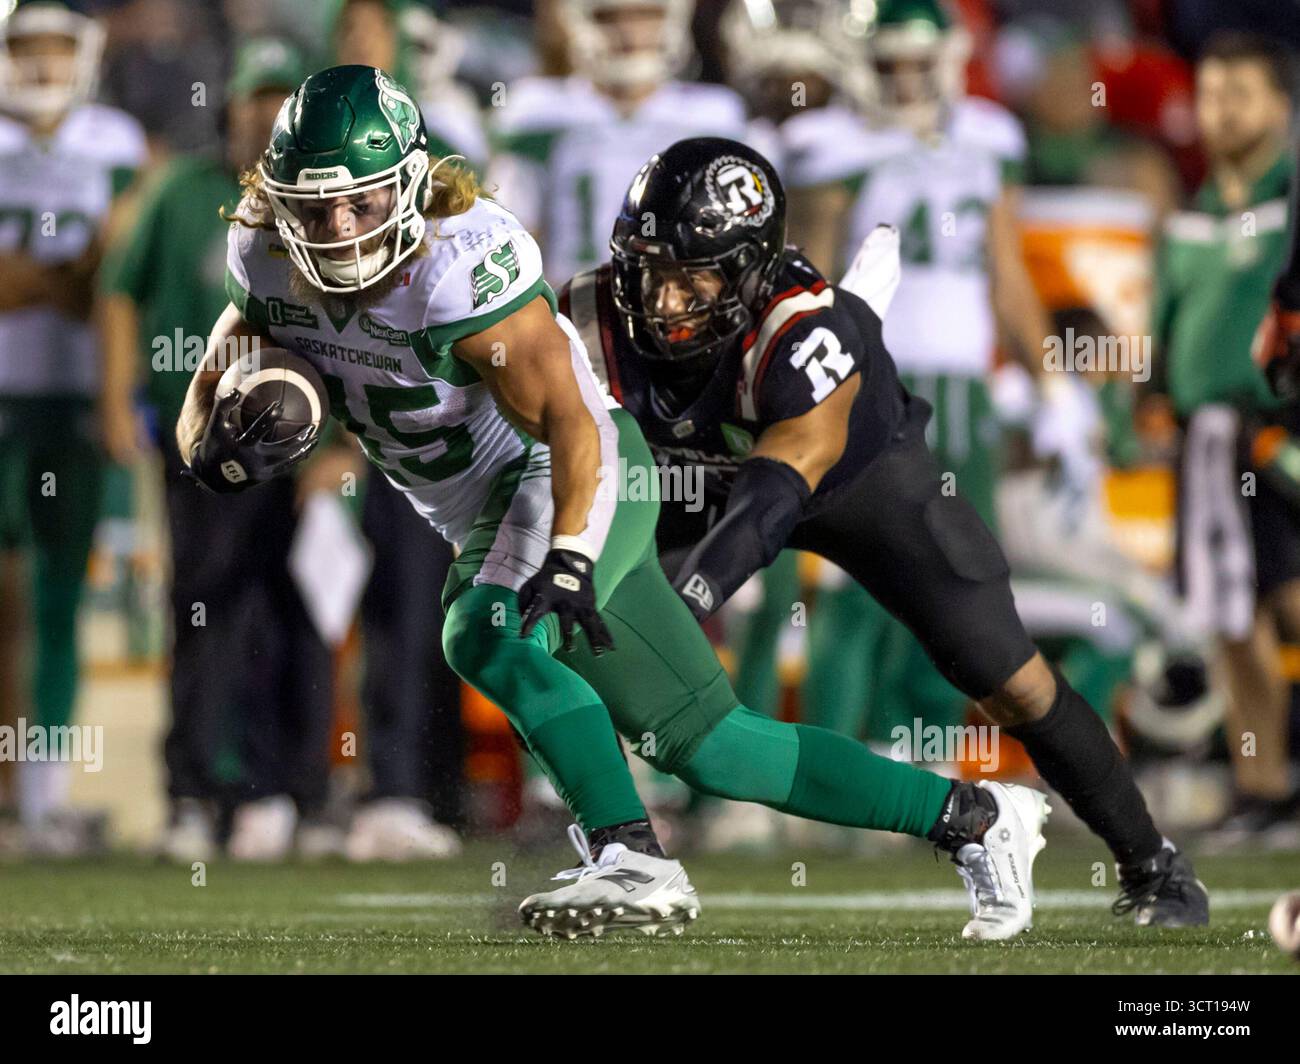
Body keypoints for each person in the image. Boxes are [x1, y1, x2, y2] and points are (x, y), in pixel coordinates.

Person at [177, 64, 1051, 941]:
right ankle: (976, 818)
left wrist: (570, 557)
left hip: (575, 476)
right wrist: (211, 453)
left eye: (361, 204)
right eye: (314, 208)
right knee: (710, 744)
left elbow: (573, 425)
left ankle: (630, 854)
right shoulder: (265, 254)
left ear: (407, 183)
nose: (338, 230)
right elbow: (215, 371)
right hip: (487, 510)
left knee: (480, 629)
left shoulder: (455, 269)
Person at [560, 133, 1209, 927]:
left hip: (857, 478)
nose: (663, 302)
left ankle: (1153, 864)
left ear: (750, 269)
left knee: (1008, 676)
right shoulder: (588, 313)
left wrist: (687, 601)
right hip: (692, 475)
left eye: (692, 276)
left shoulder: (804, 330)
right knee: (571, 605)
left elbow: (768, 505)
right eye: (650, 271)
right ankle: (623, 844)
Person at [99, 37, 334, 861]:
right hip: (195, 443)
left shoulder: (325, 205)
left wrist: (345, 451)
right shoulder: (182, 192)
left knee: (281, 615)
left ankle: (278, 787)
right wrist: (115, 399)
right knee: (198, 609)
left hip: (296, 454)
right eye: (255, 100)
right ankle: (196, 788)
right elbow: (120, 292)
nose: (267, 115)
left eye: (281, 100)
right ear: (230, 110)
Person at [0, 0, 146, 853]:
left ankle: (43, 797)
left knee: (58, 595)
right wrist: (65, 278)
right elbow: (78, 277)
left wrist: (45, 279)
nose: (46, 63)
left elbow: (115, 277)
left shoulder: (117, 143)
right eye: (31, 47)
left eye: (60, 47)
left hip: (76, 402)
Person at [1149, 32, 1298, 847]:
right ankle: (1263, 785)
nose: (1222, 111)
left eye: (1240, 93)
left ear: (1280, 105)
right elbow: (1163, 333)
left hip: (1282, 431)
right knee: (1232, 619)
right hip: (1210, 442)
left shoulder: (1291, 204)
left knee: (1287, 603)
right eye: (1210, 94)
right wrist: (1141, 402)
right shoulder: (1190, 216)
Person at [488, 0, 751, 286]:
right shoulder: (537, 111)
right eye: (608, 17)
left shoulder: (714, 116)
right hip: (571, 304)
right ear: (576, 20)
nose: (630, 34)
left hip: (678, 301)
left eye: (646, 15)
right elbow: (511, 234)